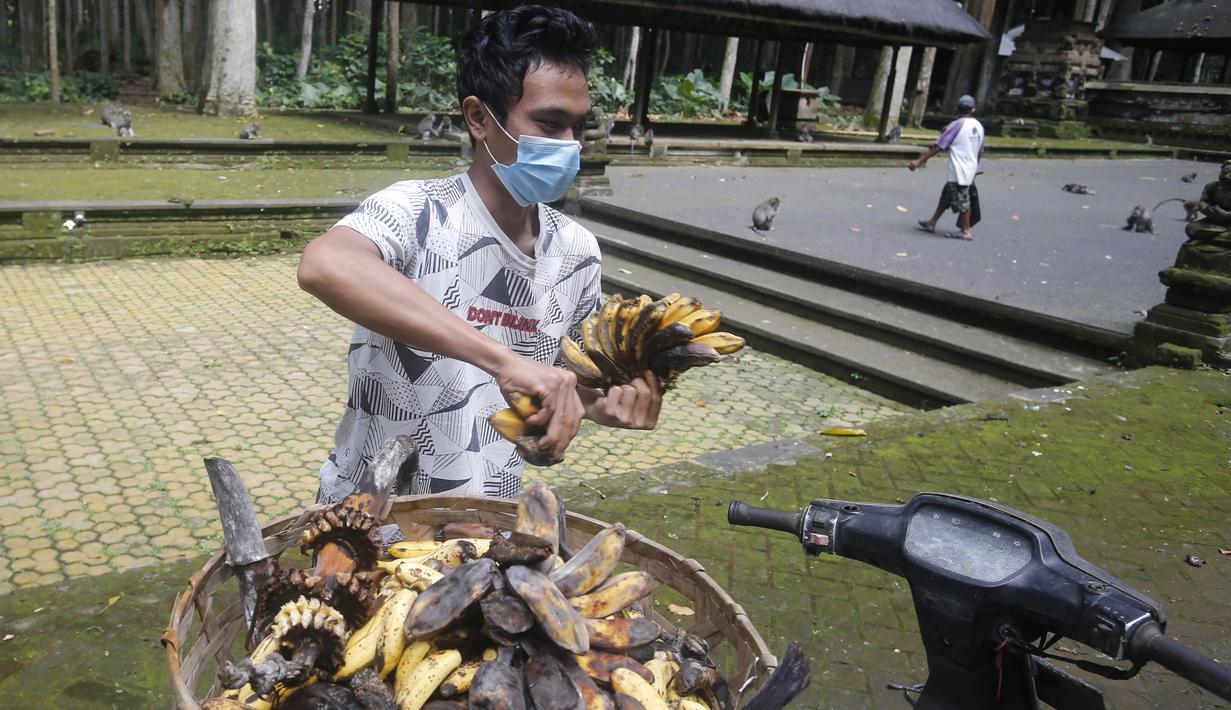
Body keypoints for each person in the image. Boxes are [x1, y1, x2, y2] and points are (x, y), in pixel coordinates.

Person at [296, 6, 662, 507]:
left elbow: (562, 386)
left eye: (578, 127)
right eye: (550, 124)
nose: (570, 145)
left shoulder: (578, 252)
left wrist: (602, 406)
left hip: (488, 519)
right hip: (367, 516)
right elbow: (325, 265)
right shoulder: (415, 210)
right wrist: (503, 362)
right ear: (479, 118)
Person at [909, 94, 985, 241]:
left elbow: (939, 146)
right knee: (946, 196)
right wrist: (974, 167)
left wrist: (920, 161)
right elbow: (980, 151)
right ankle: (932, 223)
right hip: (969, 168)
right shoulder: (979, 127)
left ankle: (965, 231)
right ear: (973, 109)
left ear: (957, 108)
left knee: (962, 199)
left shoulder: (956, 125)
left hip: (958, 170)